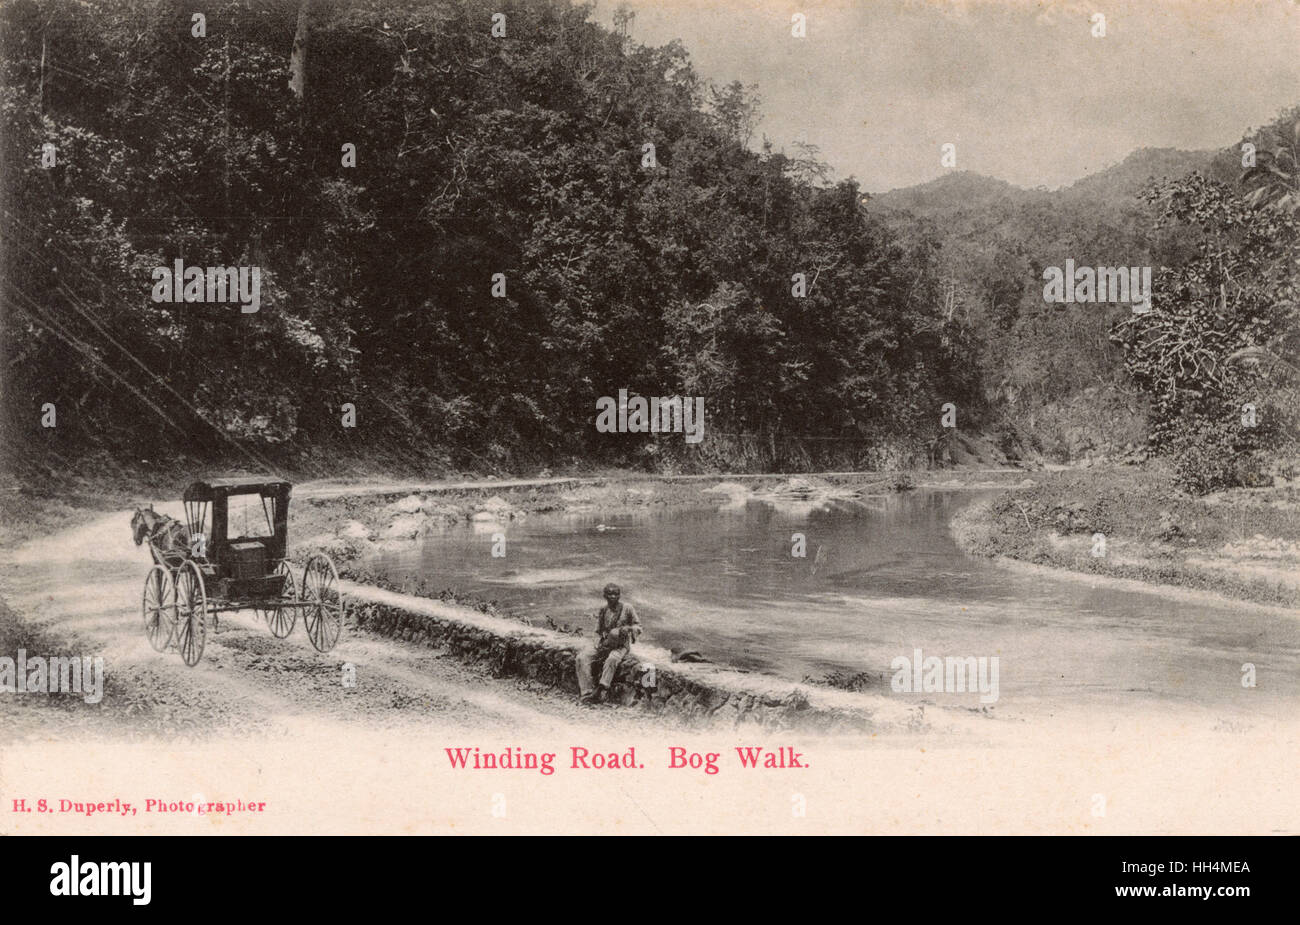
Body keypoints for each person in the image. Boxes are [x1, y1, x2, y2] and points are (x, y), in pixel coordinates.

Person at [575, 583, 641, 704]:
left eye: (616, 594)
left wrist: (629, 629)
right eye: (609, 594)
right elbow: (597, 631)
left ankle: (601, 690)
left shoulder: (627, 608)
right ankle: (587, 692)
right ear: (605, 596)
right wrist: (598, 644)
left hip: (620, 646)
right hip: (603, 643)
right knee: (581, 657)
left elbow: (638, 626)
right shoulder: (603, 610)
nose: (613, 596)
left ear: (619, 595)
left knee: (612, 659)